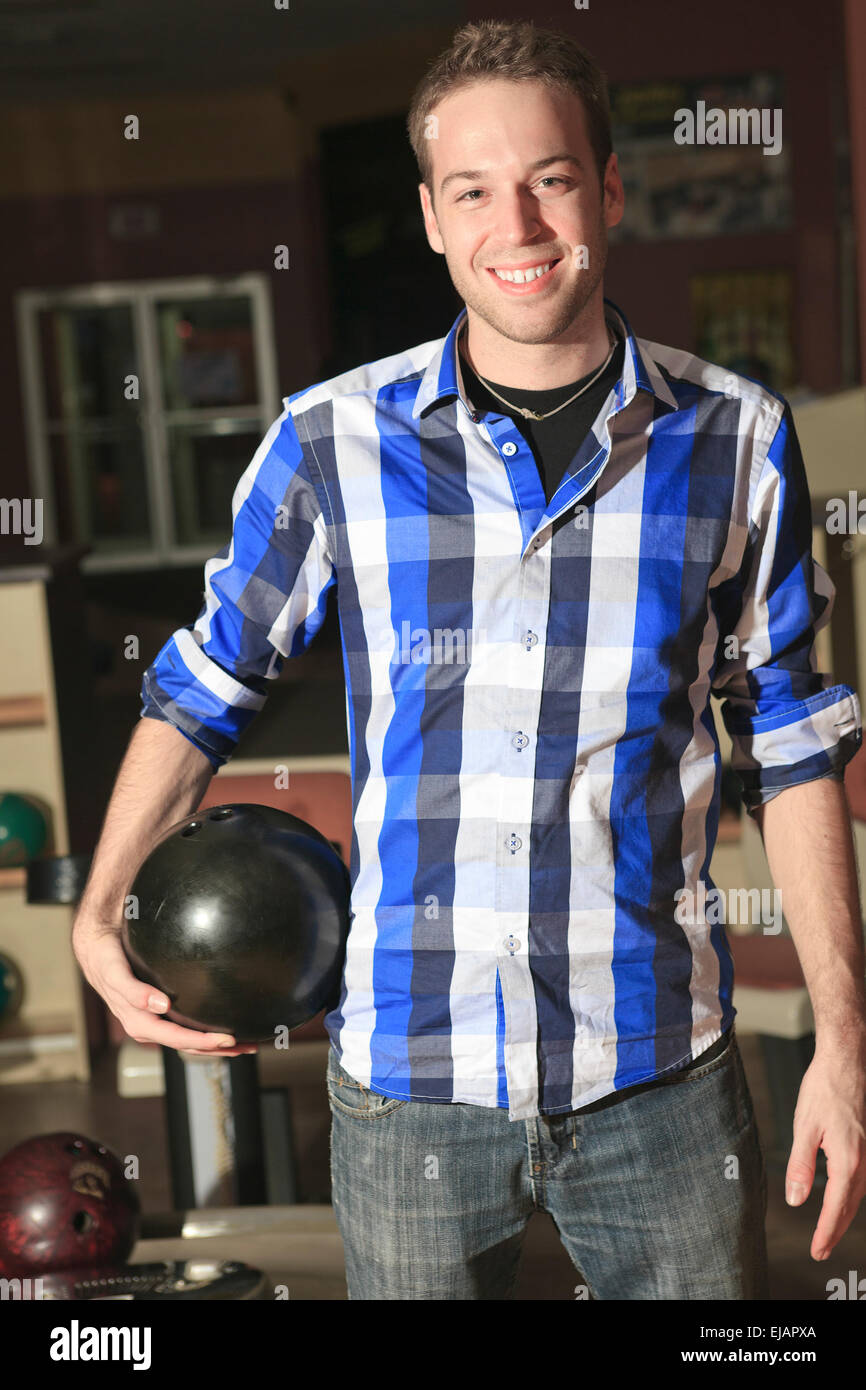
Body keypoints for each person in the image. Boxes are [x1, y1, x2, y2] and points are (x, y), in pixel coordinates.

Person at [72, 20, 866, 1300]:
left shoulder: (734, 438)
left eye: (551, 179)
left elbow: (790, 737)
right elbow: (204, 681)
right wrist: (99, 912)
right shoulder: (329, 442)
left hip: (658, 1079)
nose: (520, 223)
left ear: (606, 190)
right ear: (434, 219)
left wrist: (842, 1038)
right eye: (473, 190)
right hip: (407, 1089)